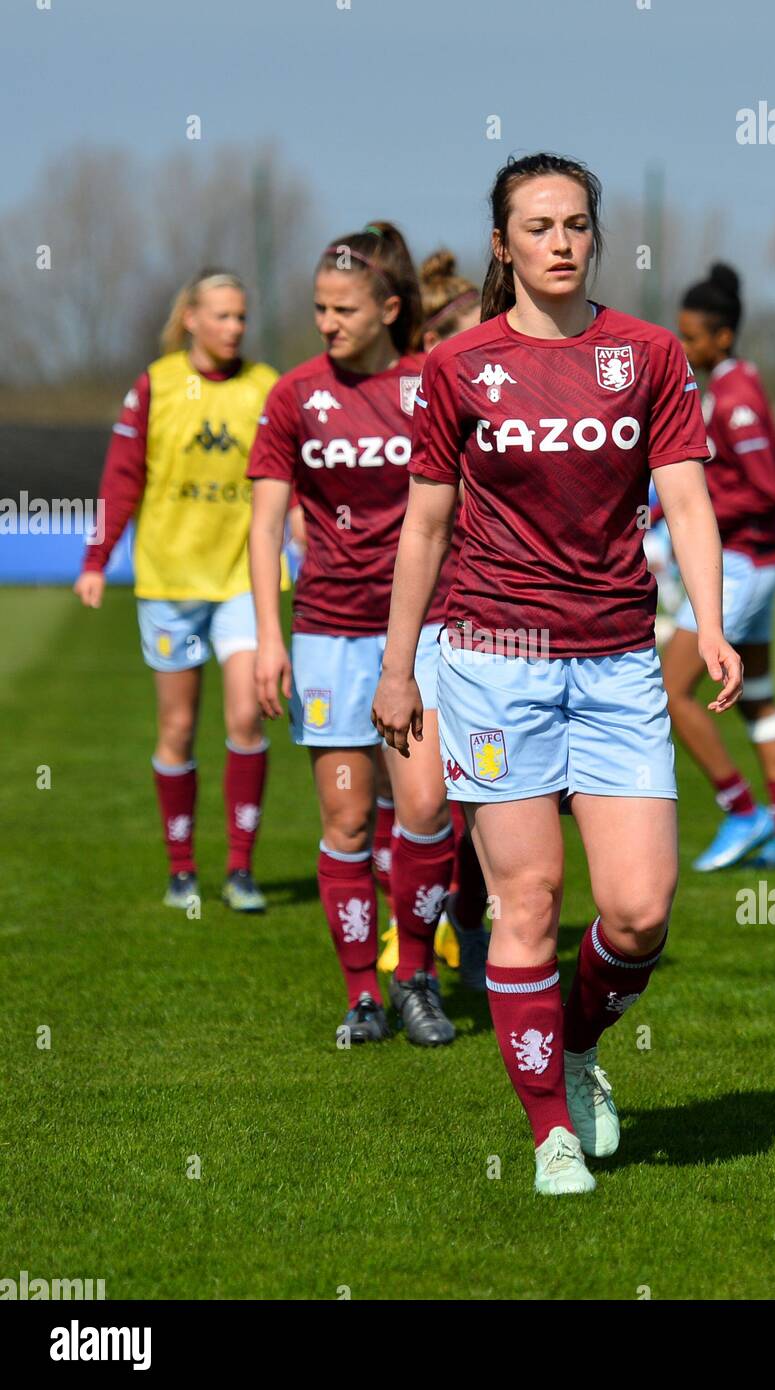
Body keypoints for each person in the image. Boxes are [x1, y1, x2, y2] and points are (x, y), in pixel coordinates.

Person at [371, 153, 742, 1195]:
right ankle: (549, 1134)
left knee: (636, 912)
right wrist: (400, 670)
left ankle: (575, 1048)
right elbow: (427, 524)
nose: (561, 242)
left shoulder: (651, 355)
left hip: (620, 662)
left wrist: (706, 624)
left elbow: (686, 500)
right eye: (537, 226)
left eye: (576, 223)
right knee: (527, 899)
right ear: (502, 245)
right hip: (494, 662)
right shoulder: (458, 368)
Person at [247, 222, 458, 1047]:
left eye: (342, 309)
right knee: (343, 821)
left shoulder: (430, 383)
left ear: (389, 308)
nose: (326, 323)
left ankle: (418, 979)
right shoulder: (294, 395)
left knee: (425, 805)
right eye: (317, 309)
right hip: (328, 633)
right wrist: (270, 638)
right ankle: (361, 996)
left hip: (423, 629)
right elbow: (266, 529)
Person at [75, 268, 282, 912]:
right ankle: (182, 868)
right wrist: (95, 558)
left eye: (241, 317)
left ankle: (241, 870)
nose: (234, 328)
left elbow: (294, 477)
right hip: (169, 579)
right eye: (222, 315)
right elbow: (122, 477)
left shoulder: (267, 387)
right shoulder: (156, 385)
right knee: (179, 724)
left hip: (244, 578)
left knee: (248, 716)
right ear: (191, 318)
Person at [664, 263, 775, 870]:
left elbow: (767, 489)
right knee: (757, 696)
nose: (684, 347)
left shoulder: (735, 396)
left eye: (692, 337)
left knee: (671, 691)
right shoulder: (730, 387)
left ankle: (740, 810)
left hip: (741, 563)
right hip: (754, 560)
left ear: (721, 337)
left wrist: (690, 509)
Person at [376, 248, 491, 989]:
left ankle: (469, 925)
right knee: (408, 801)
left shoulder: (500, 389)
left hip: (490, 623)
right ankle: (405, 945)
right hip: (403, 621)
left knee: (487, 798)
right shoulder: (401, 394)